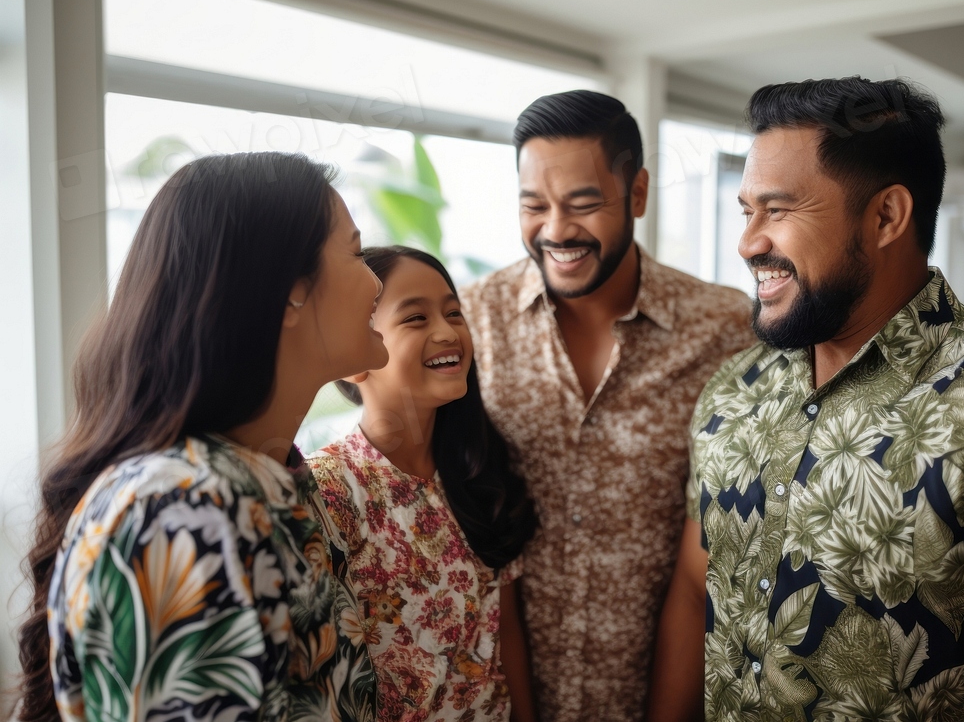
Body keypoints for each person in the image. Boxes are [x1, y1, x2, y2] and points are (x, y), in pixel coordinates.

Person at [651, 76, 964, 722]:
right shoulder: (735, 389)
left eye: (778, 210)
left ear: (887, 215)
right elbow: (698, 588)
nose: (749, 242)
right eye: (746, 210)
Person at [19, 152, 387, 722]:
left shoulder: (273, 482)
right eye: (358, 254)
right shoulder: (185, 507)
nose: (376, 283)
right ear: (290, 291)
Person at [459, 90, 756, 721]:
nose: (557, 230)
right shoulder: (470, 322)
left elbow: (730, 541)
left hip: (662, 698)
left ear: (638, 194)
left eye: (584, 204)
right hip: (501, 701)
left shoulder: (725, 327)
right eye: (534, 205)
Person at [307, 246, 538, 722]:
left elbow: (506, 635)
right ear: (354, 354)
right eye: (415, 318)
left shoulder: (484, 472)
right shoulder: (327, 493)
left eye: (454, 312)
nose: (447, 331)